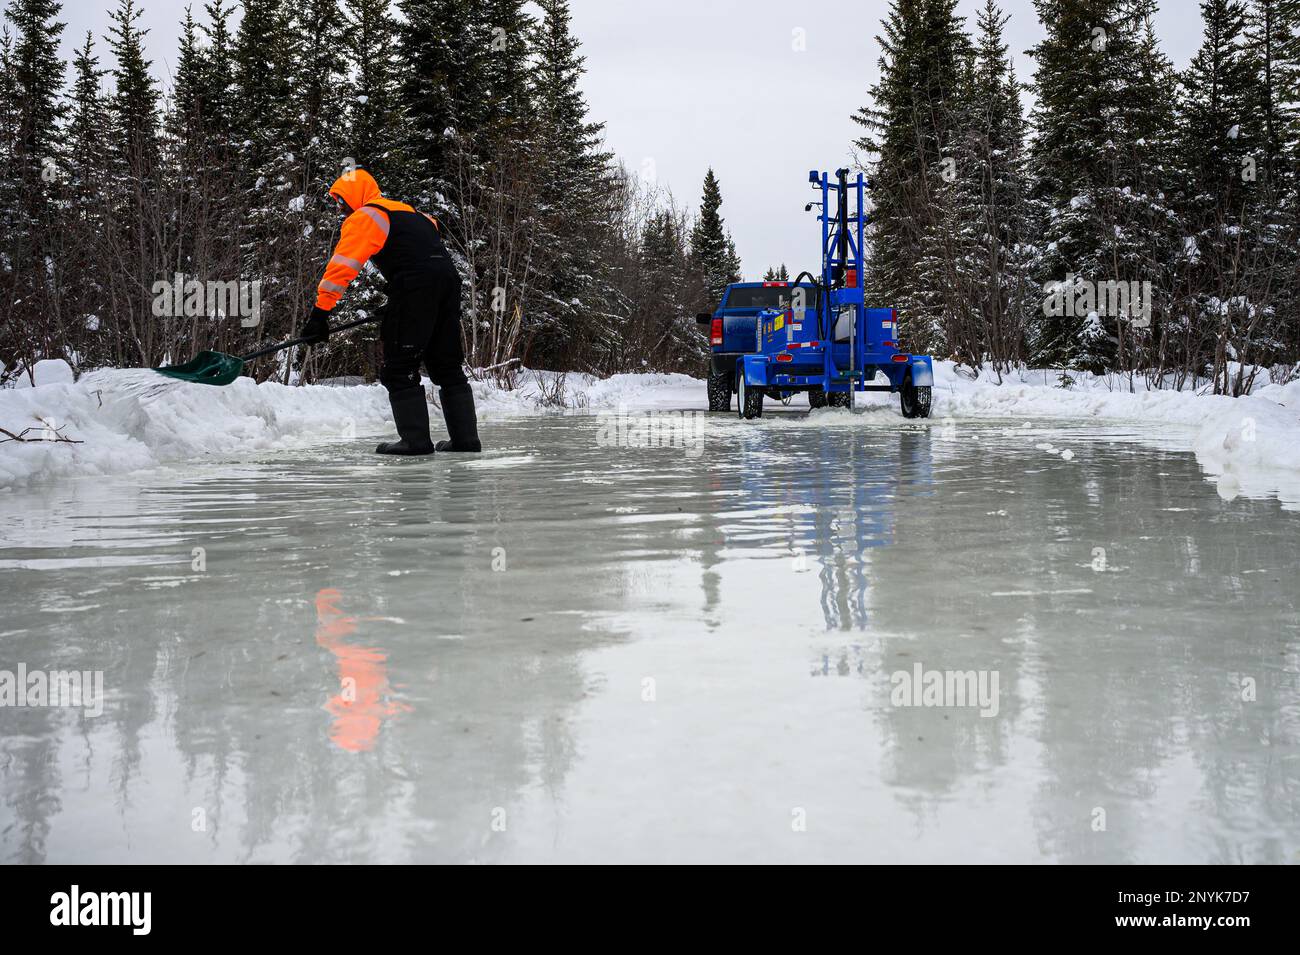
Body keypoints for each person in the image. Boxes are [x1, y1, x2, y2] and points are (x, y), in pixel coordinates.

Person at [303, 167, 481, 455]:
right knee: (446, 365)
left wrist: (320, 314)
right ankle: (466, 441)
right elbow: (423, 257)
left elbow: (343, 266)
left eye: (341, 201)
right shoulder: (416, 214)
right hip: (448, 285)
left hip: (417, 287)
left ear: (354, 195)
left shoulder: (367, 216)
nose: (341, 208)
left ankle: (415, 442)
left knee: (399, 367)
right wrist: (401, 297)